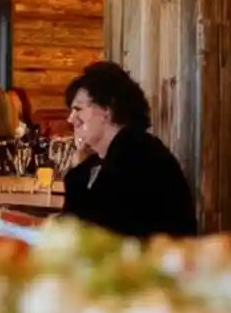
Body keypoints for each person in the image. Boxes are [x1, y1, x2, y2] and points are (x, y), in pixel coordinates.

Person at [62, 62, 197, 238]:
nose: (71, 119)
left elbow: (94, 229)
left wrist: (77, 172)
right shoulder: (100, 160)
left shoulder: (139, 154)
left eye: (78, 109)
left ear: (107, 110)